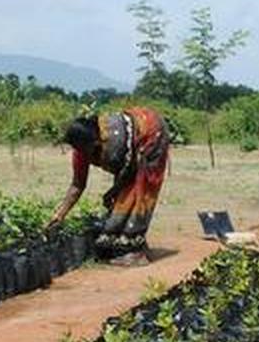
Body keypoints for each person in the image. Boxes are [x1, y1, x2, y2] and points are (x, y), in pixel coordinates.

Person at [50, 107, 170, 267]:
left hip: (152, 134)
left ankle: (135, 253)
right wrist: (60, 214)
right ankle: (133, 242)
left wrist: (112, 192)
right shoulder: (81, 151)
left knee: (137, 194)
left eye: (91, 148)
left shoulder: (114, 142)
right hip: (132, 146)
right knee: (122, 199)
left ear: (97, 140)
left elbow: (126, 174)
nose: (87, 153)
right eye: (82, 151)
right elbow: (78, 184)